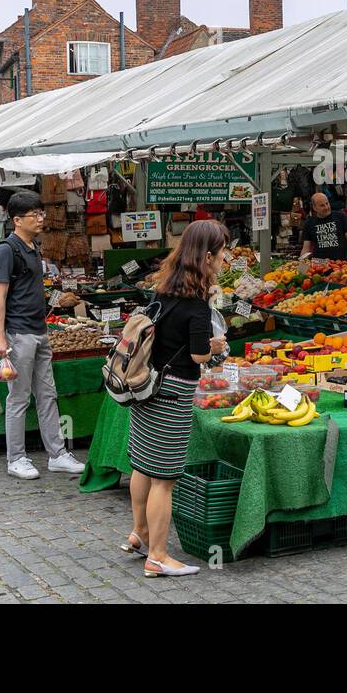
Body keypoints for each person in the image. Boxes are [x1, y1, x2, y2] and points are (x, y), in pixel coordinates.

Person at [122, 219, 230, 578]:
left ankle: (139, 533)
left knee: (142, 465)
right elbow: (200, 356)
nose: (224, 258)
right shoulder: (197, 303)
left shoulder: (164, 289)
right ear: (209, 255)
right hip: (172, 392)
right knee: (164, 479)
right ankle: (158, 555)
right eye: (222, 251)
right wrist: (214, 346)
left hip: (145, 386)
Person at [0, 191, 85, 480]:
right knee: (19, 399)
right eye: (35, 215)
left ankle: (57, 454)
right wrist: (0, 338)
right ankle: (15, 458)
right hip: (19, 334)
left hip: (40, 332)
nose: (41, 218)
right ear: (17, 220)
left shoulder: (33, 247)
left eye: (41, 213)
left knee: (47, 395)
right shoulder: (8, 250)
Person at [300, 192, 347, 262]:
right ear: (314, 208)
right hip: (319, 266)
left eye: (327, 203)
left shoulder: (340, 216)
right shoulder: (309, 223)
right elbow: (306, 248)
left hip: (341, 264)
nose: (326, 207)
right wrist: (301, 266)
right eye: (322, 205)